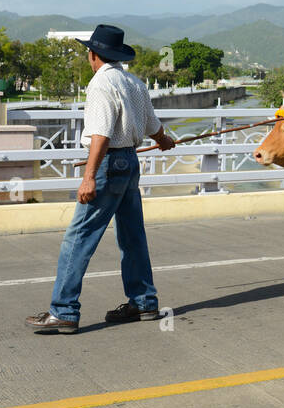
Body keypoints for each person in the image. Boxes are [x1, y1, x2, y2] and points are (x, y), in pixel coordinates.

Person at [25, 24, 176, 334]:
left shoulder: (100, 84)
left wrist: (89, 177)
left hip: (109, 164)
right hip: (130, 163)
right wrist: (164, 140)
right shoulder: (134, 83)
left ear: (93, 55)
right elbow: (151, 124)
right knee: (132, 236)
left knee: (79, 237)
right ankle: (144, 302)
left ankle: (64, 310)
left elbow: (101, 134)